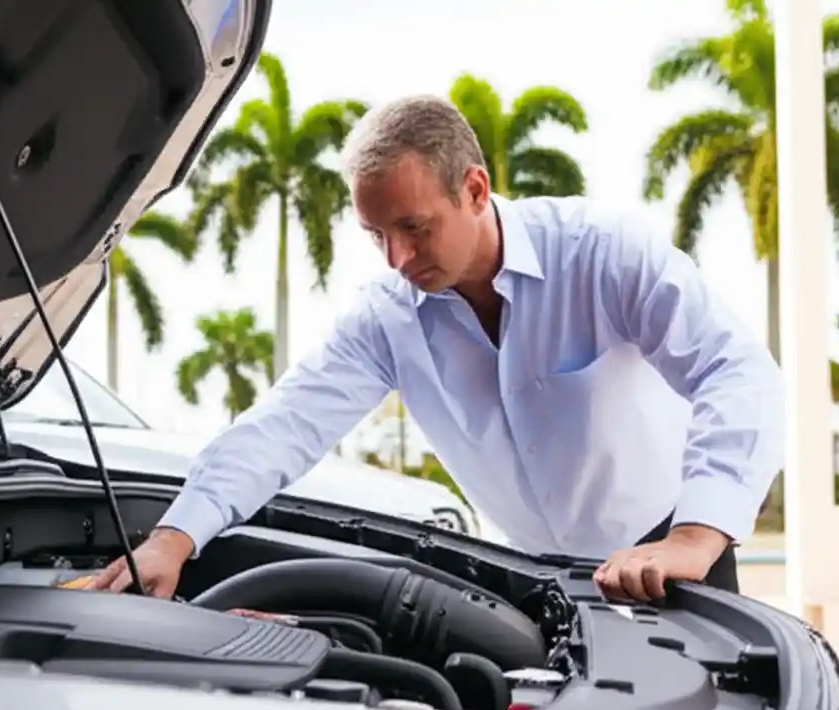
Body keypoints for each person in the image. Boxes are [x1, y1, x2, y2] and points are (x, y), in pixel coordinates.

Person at [92, 94, 784, 603]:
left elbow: (737, 370)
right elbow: (283, 426)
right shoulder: (386, 319)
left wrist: (694, 537)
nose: (396, 257)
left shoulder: (601, 256)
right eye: (375, 235)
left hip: (674, 557)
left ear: (475, 189)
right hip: (535, 579)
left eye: (414, 227)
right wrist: (174, 537)